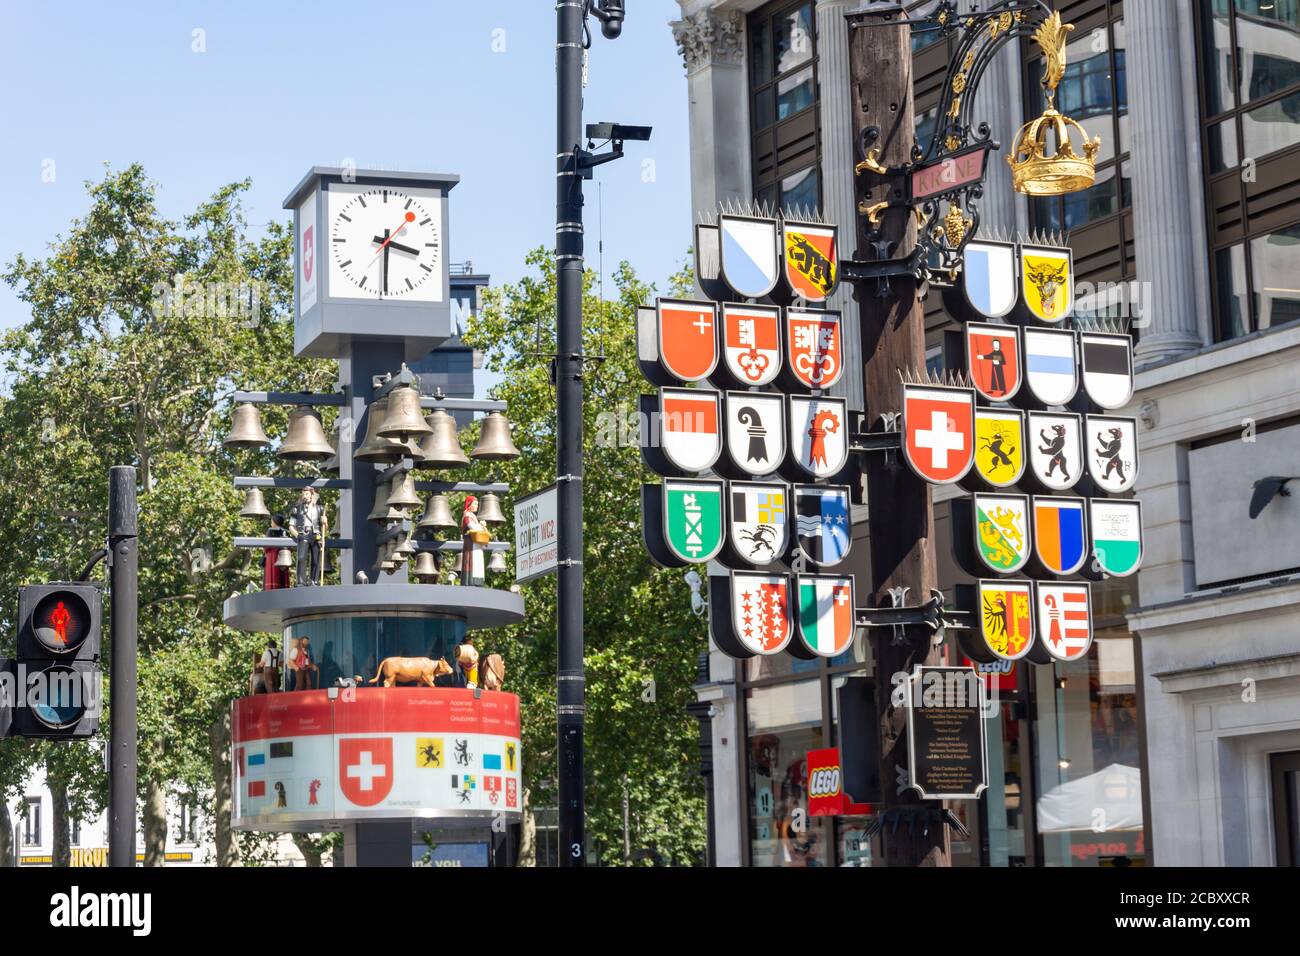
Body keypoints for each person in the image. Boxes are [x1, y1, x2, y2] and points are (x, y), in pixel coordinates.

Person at [289, 487, 328, 587]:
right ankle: (301, 582)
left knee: (316, 559)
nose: (304, 496)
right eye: (303, 494)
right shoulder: (297, 508)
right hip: (303, 534)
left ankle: (314, 581)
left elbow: (325, 528)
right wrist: (298, 535)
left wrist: (325, 522)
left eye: (306, 494)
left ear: (312, 495)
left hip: (316, 535)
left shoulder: (320, 508)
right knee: (301, 558)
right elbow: (291, 526)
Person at [460, 495, 487, 586]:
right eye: (475, 504)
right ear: (469, 504)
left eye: (477, 504)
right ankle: (471, 581)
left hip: (476, 543)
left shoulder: (473, 516)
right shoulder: (467, 515)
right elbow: (473, 527)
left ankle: (478, 581)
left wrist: (481, 526)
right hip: (471, 544)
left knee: (478, 562)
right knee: (473, 562)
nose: (477, 506)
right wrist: (481, 525)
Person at [263, 513, 290, 591]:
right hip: (284, 556)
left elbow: (265, 547)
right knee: (282, 578)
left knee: (273, 576)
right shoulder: (286, 532)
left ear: (274, 522)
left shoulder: (270, 531)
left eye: (272, 521)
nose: (271, 523)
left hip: (272, 557)